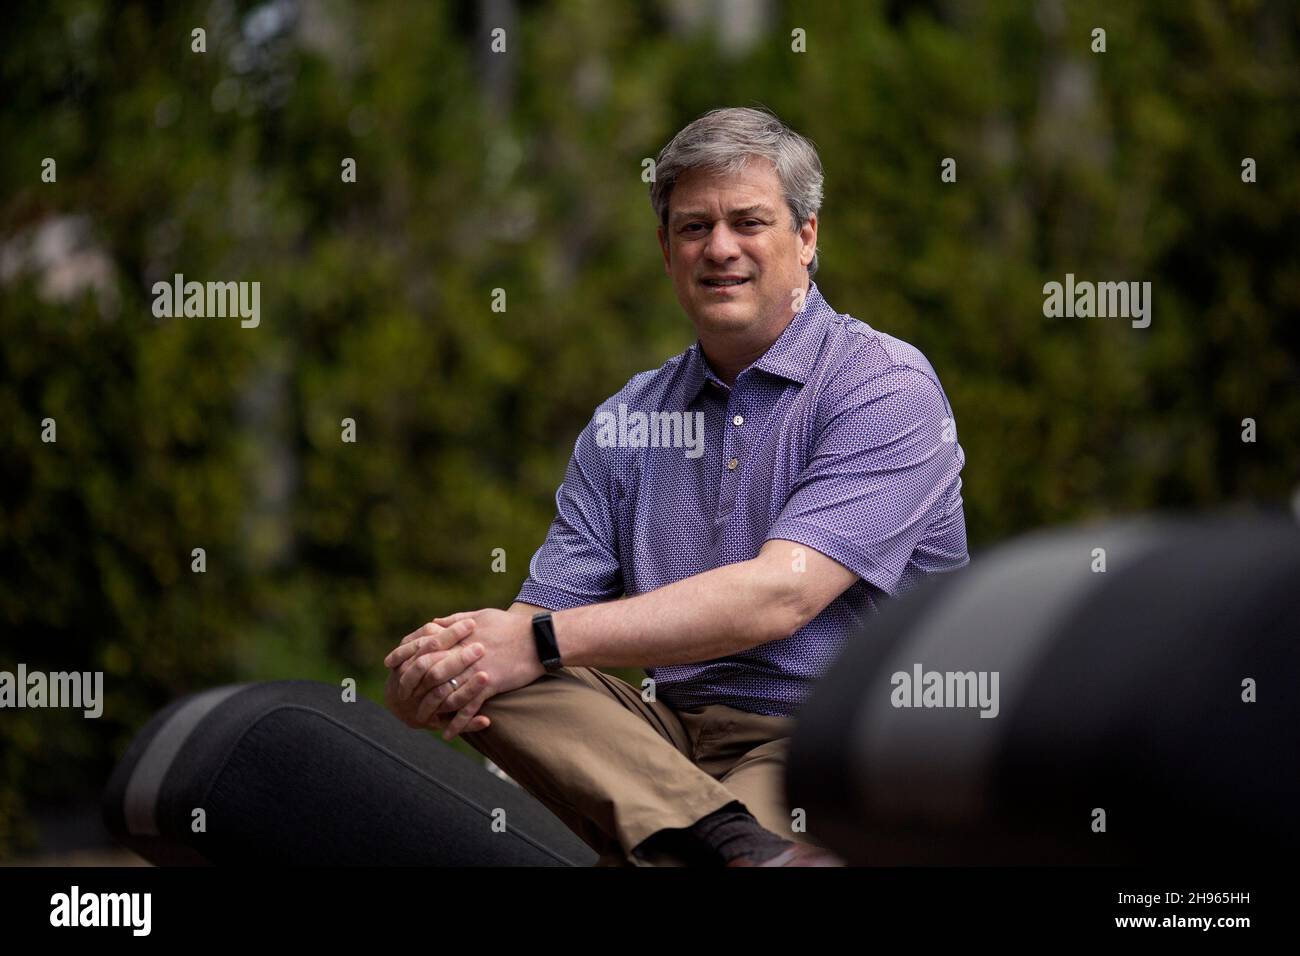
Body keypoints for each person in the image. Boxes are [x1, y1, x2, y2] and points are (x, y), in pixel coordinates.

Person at [383, 106, 969, 866]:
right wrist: (439, 678)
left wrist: (537, 640)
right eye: (694, 227)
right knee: (498, 668)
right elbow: (535, 621)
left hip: (823, 740)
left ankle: (715, 843)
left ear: (807, 236)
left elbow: (778, 597)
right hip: (657, 740)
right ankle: (730, 847)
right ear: (666, 250)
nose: (719, 248)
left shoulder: (881, 386)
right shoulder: (627, 420)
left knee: (536, 659)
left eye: (749, 222)